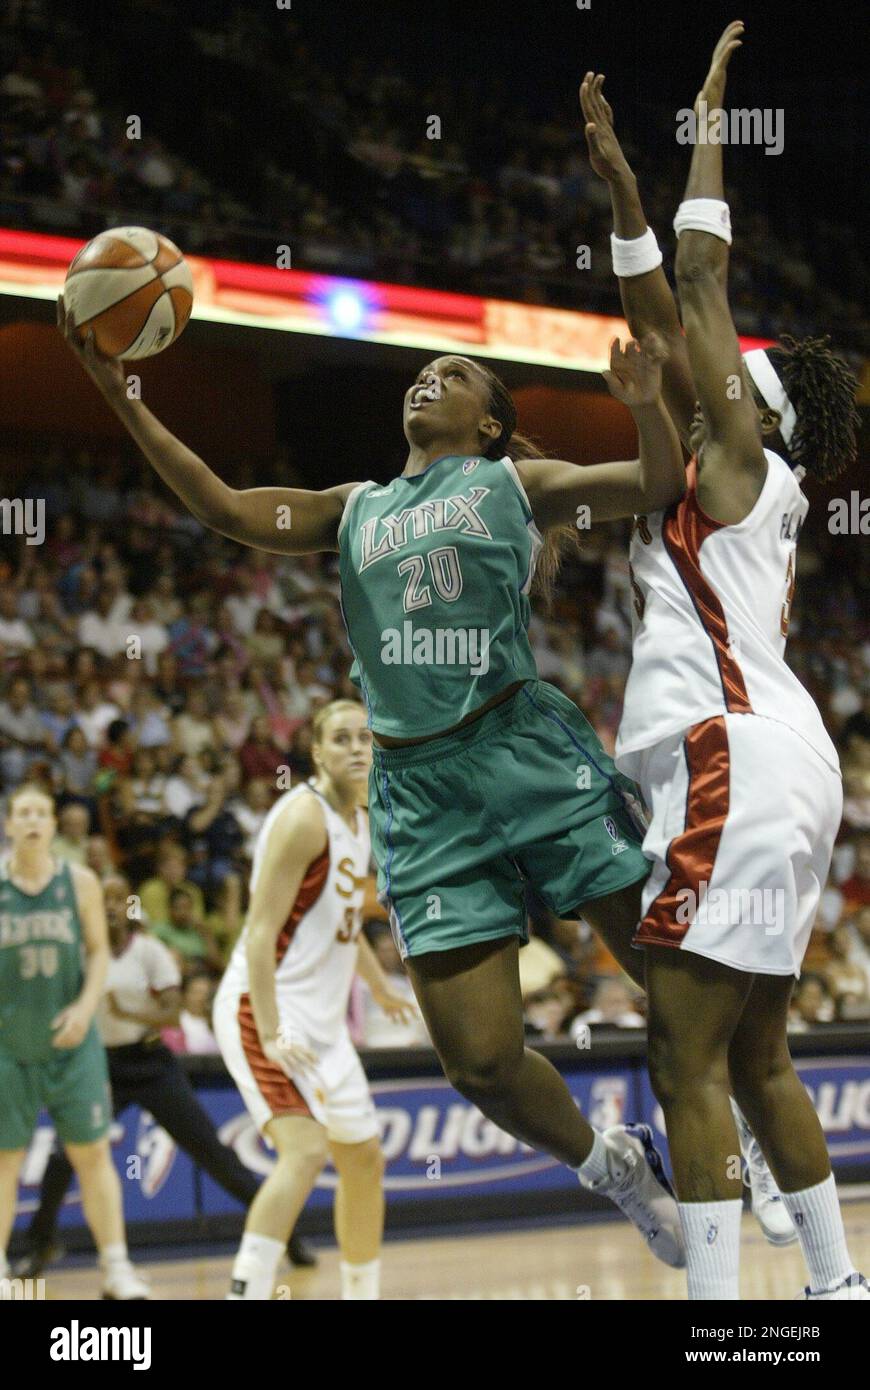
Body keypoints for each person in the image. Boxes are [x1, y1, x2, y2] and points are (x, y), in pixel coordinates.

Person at [58, 276, 690, 1266]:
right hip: (419, 794)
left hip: (518, 748)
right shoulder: (355, 507)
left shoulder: (512, 485)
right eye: (427, 370)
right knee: (478, 1058)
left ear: (489, 425)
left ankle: (754, 1155)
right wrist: (116, 387)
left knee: (665, 972)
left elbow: (656, 481)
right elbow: (221, 504)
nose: (431, 377)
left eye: (458, 374)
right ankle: (614, 1164)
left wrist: (649, 397)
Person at [599, 24, 865, 1301]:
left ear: (767, 418)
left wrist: (708, 109)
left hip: (730, 751)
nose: (716, 379)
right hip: (781, 759)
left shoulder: (744, 462)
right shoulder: (731, 460)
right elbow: (661, 303)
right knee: (757, 1058)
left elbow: (697, 282)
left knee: (682, 1063)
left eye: (733, 383)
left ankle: (713, 1314)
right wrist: (619, 196)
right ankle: (835, 1289)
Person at [13, 873, 314, 1278]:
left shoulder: (150, 952)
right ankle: (40, 1244)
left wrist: (127, 1013)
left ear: (131, 905)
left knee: (212, 1153)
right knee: (64, 1156)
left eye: (119, 899)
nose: (111, 906)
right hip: (101, 1066)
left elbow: (173, 1012)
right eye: (103, 899)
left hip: (151, 1063)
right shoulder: (82, 954)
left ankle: (285, 1237)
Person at [213, 700, 416, 1299]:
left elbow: (338, 919)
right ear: (317, 753)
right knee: (303, 1153)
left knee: (364, 1162)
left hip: (325, 1027)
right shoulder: (304, 817)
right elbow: (258, 932)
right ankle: (245, 1291)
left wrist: (377, 986)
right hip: (262, 1007)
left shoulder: (360, 817)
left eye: (365, 739)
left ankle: (362, 1294)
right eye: (341, 739)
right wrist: (273, 1030)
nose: (357, 748)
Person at [0, 786, 148, 1299]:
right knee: (5, 1162)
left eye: (42, 812)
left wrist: (86, 1009)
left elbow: (99, 954)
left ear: (54, 825)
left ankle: (116, 1268)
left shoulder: (80, 882)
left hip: (73, 1042)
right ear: (10, 825)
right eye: (24, 813)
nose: (34, 820)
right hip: (8, 1046)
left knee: (93, 1155)